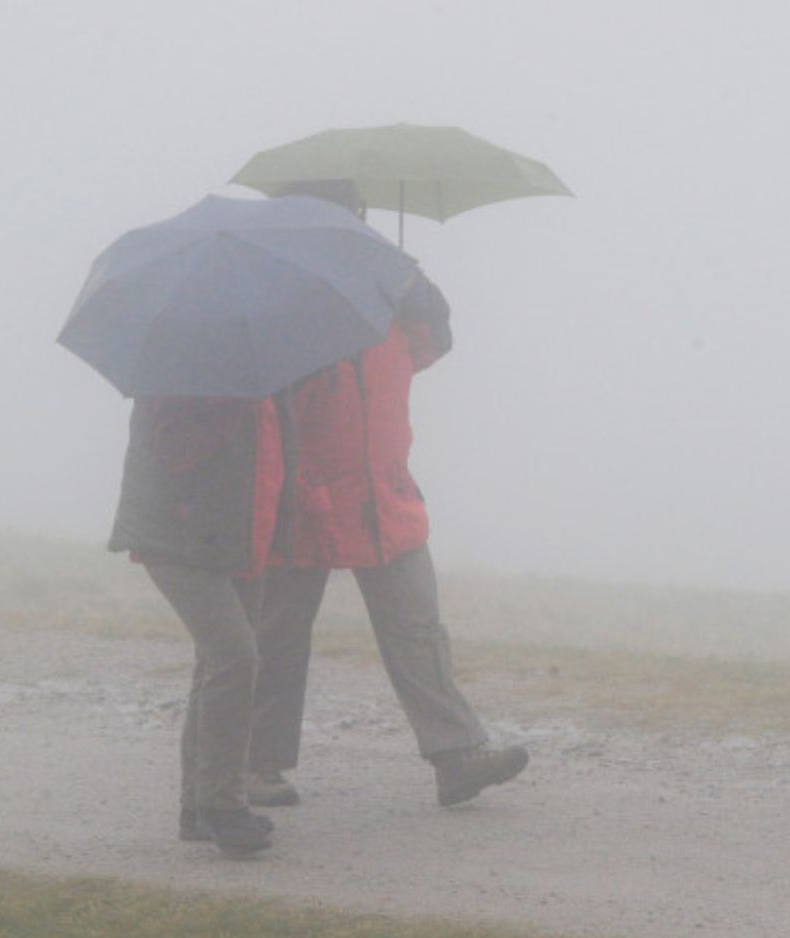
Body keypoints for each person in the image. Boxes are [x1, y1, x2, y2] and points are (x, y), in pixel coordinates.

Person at [244, 181, 530, 809]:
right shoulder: (276, 295)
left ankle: (456, 757)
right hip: (303, 494)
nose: (352, 223)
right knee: (278, 635)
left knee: (417, 626)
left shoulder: (385, 285)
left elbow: (424, 351)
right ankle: (255, 765)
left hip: (382, 489)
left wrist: (417, 293)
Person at [107, 393, 288, 856]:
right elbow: (174, 451)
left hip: (239, 536)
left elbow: (276, 455)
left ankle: (197, 808)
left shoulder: (267, 374)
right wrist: (229, 406)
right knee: (235, 657)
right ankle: (223, 806)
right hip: (178, 538)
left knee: (217, 664)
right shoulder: (184, 370)